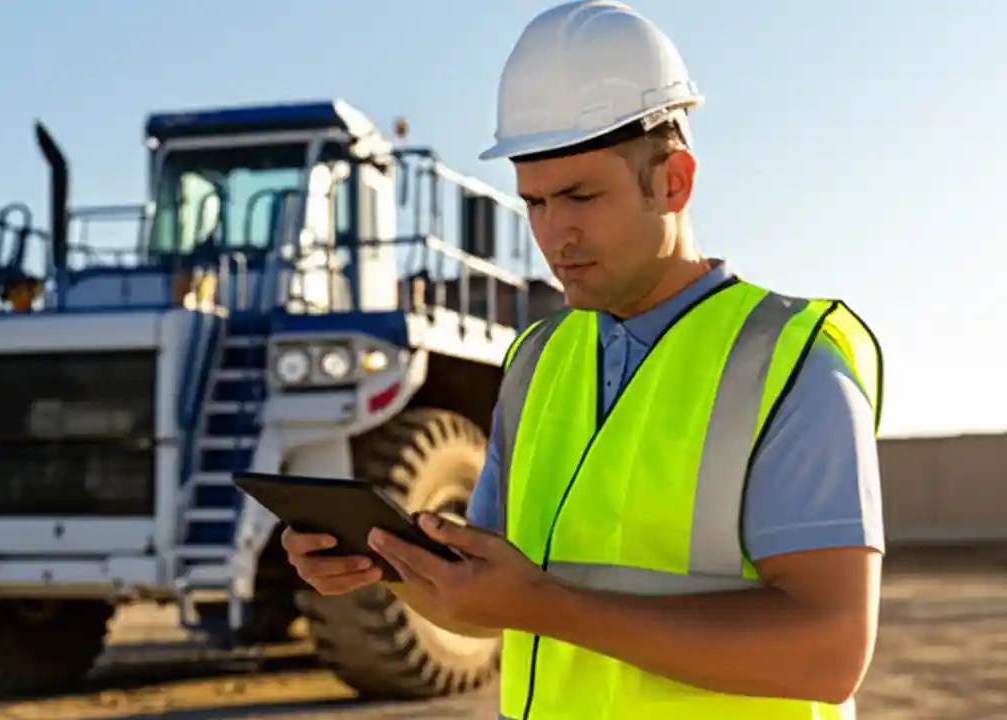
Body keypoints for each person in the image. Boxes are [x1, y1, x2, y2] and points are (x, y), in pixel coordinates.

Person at [281, 1, 885, 717]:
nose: (554, 233)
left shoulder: (791, 364)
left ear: (674, 182)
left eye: (580, 195)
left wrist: (551, 606)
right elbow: (489, 606)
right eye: (533, 202)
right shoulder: (540, 364)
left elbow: (830, 652)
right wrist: (387, 568)